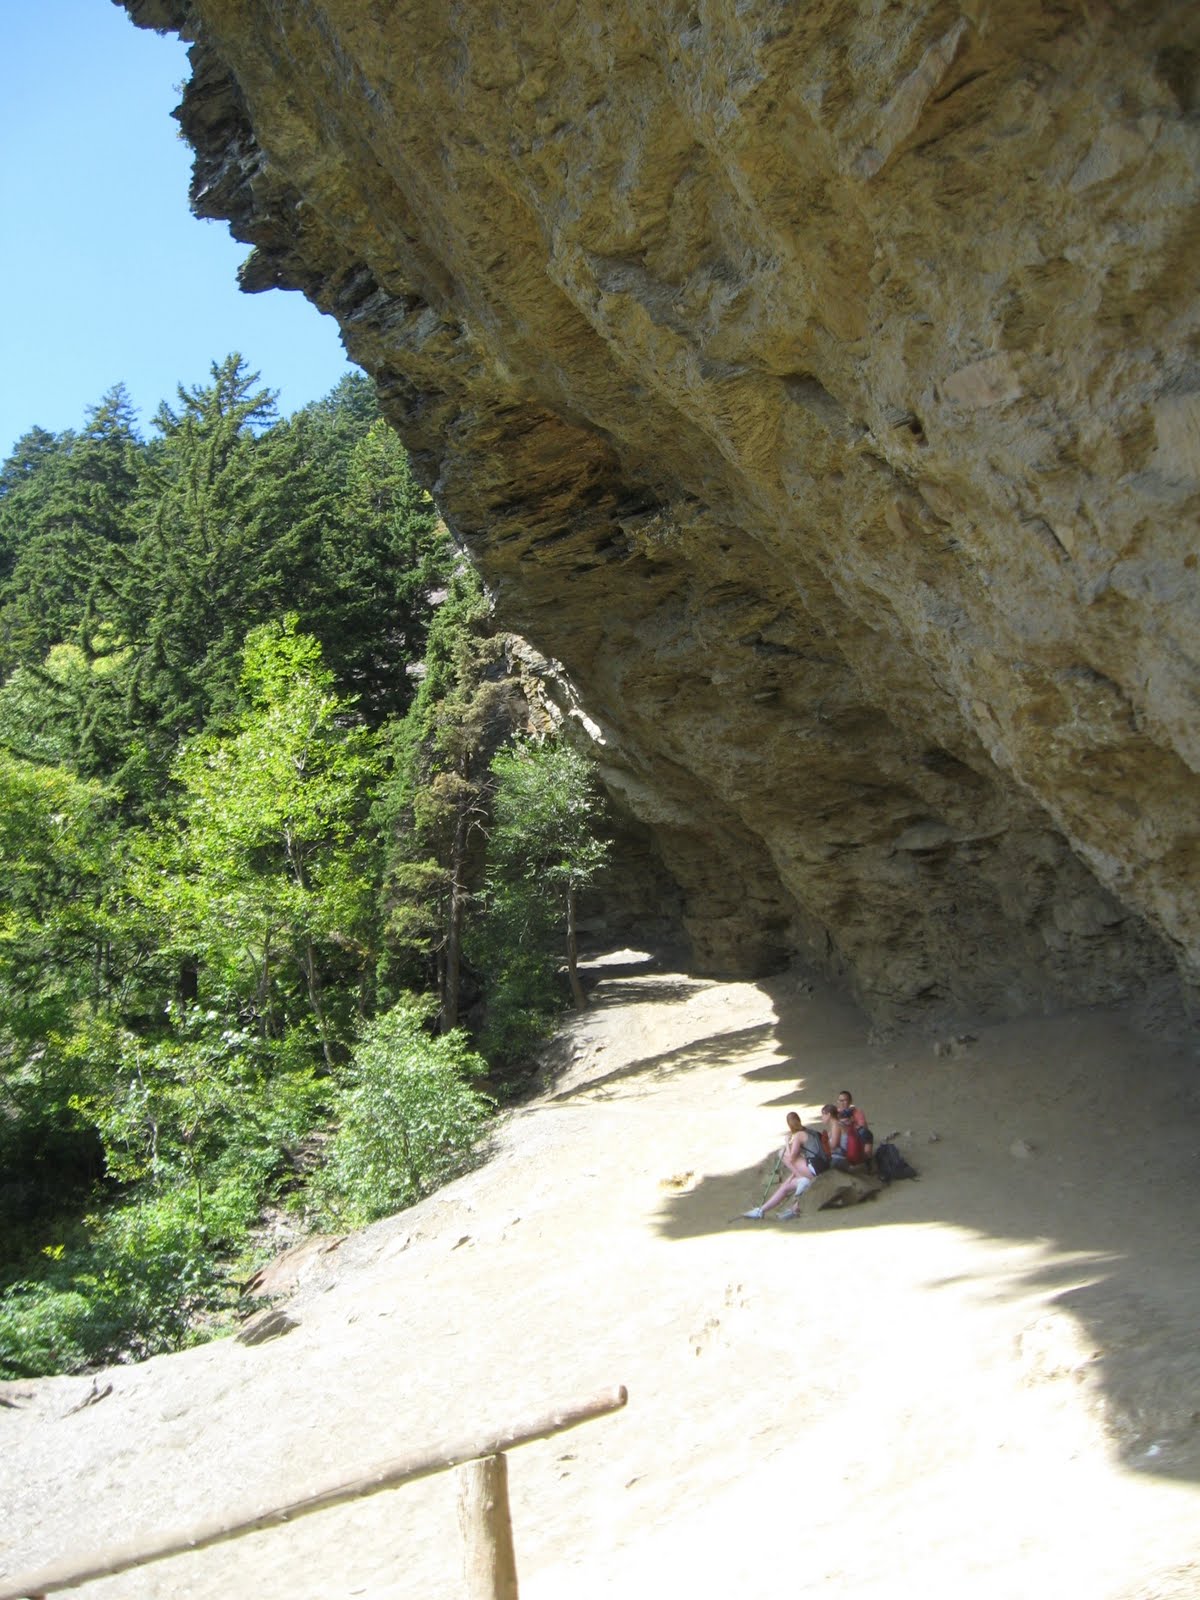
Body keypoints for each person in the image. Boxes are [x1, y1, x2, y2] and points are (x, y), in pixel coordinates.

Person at [743, 1112, 817, 1218]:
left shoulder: (799, 1135)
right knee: (785, 1186)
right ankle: (761, 1211)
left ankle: (799, 1182)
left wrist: (787, 1142)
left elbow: (791, 1157)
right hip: (812, 1168)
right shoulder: (809, 1132)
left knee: (783, 1153)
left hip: (812, 1170)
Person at [834, 1089, 873, 1164]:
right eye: (840, 1100)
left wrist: (852, 1122)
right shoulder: (836, 1113)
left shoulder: (857, 1112)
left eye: (845, 1100)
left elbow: (864, 1128)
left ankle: (868, 1159)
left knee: (867, 1134)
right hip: (841, 1138)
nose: (842, 1103)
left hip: (854, 1137)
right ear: (838, 1101)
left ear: (850, 1101)